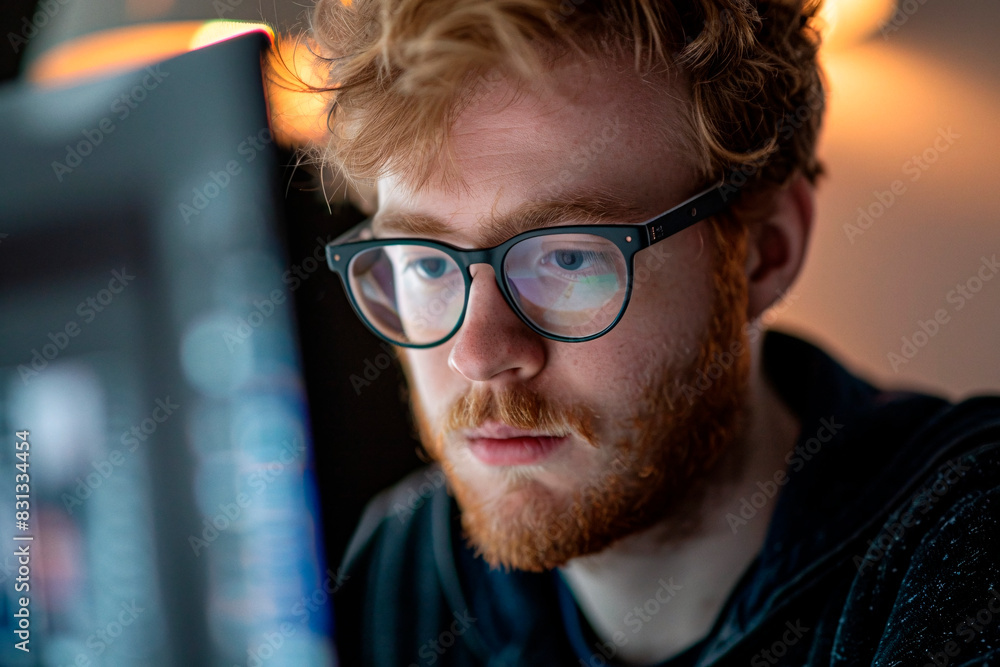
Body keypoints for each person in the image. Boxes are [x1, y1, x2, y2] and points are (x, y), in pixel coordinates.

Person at [310, 0, 1000, 664]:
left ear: (766, 249)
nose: (479, 355)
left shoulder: (965, 547)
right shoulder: (399, 571)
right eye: (428, 264)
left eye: (567, 257)